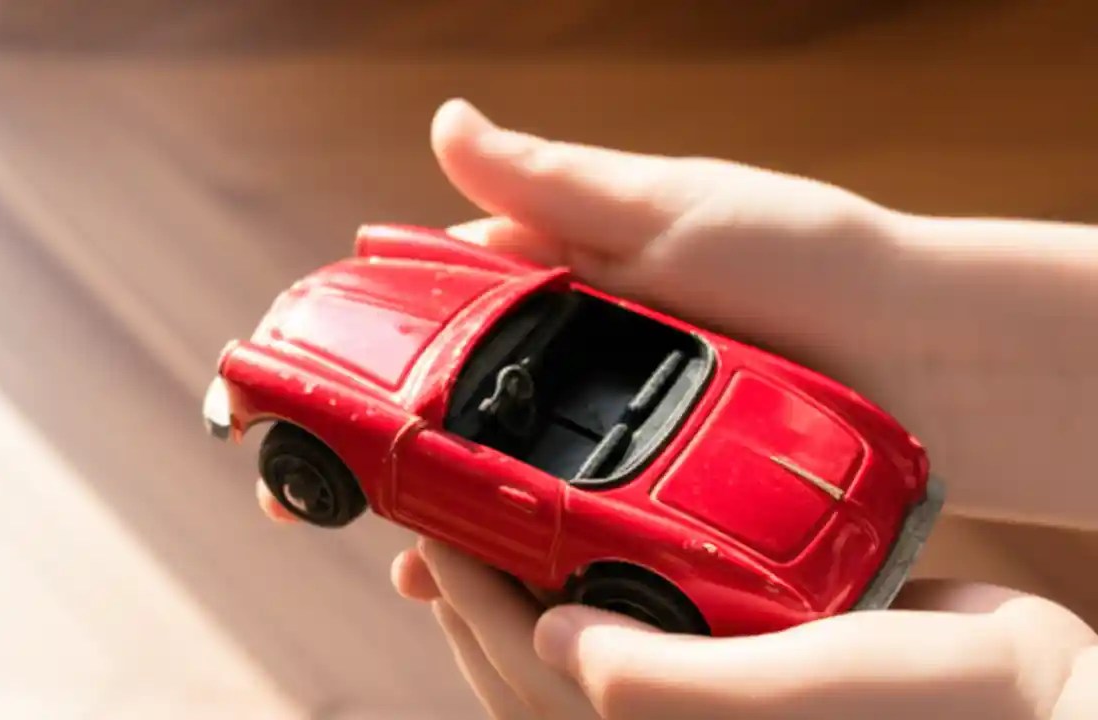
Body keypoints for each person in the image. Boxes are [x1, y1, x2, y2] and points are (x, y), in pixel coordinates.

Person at [257, 99, 1098, 719]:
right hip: (694, 378)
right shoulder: (862, 424)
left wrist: (1053, 697)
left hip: (607, 468)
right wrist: (918, 318)